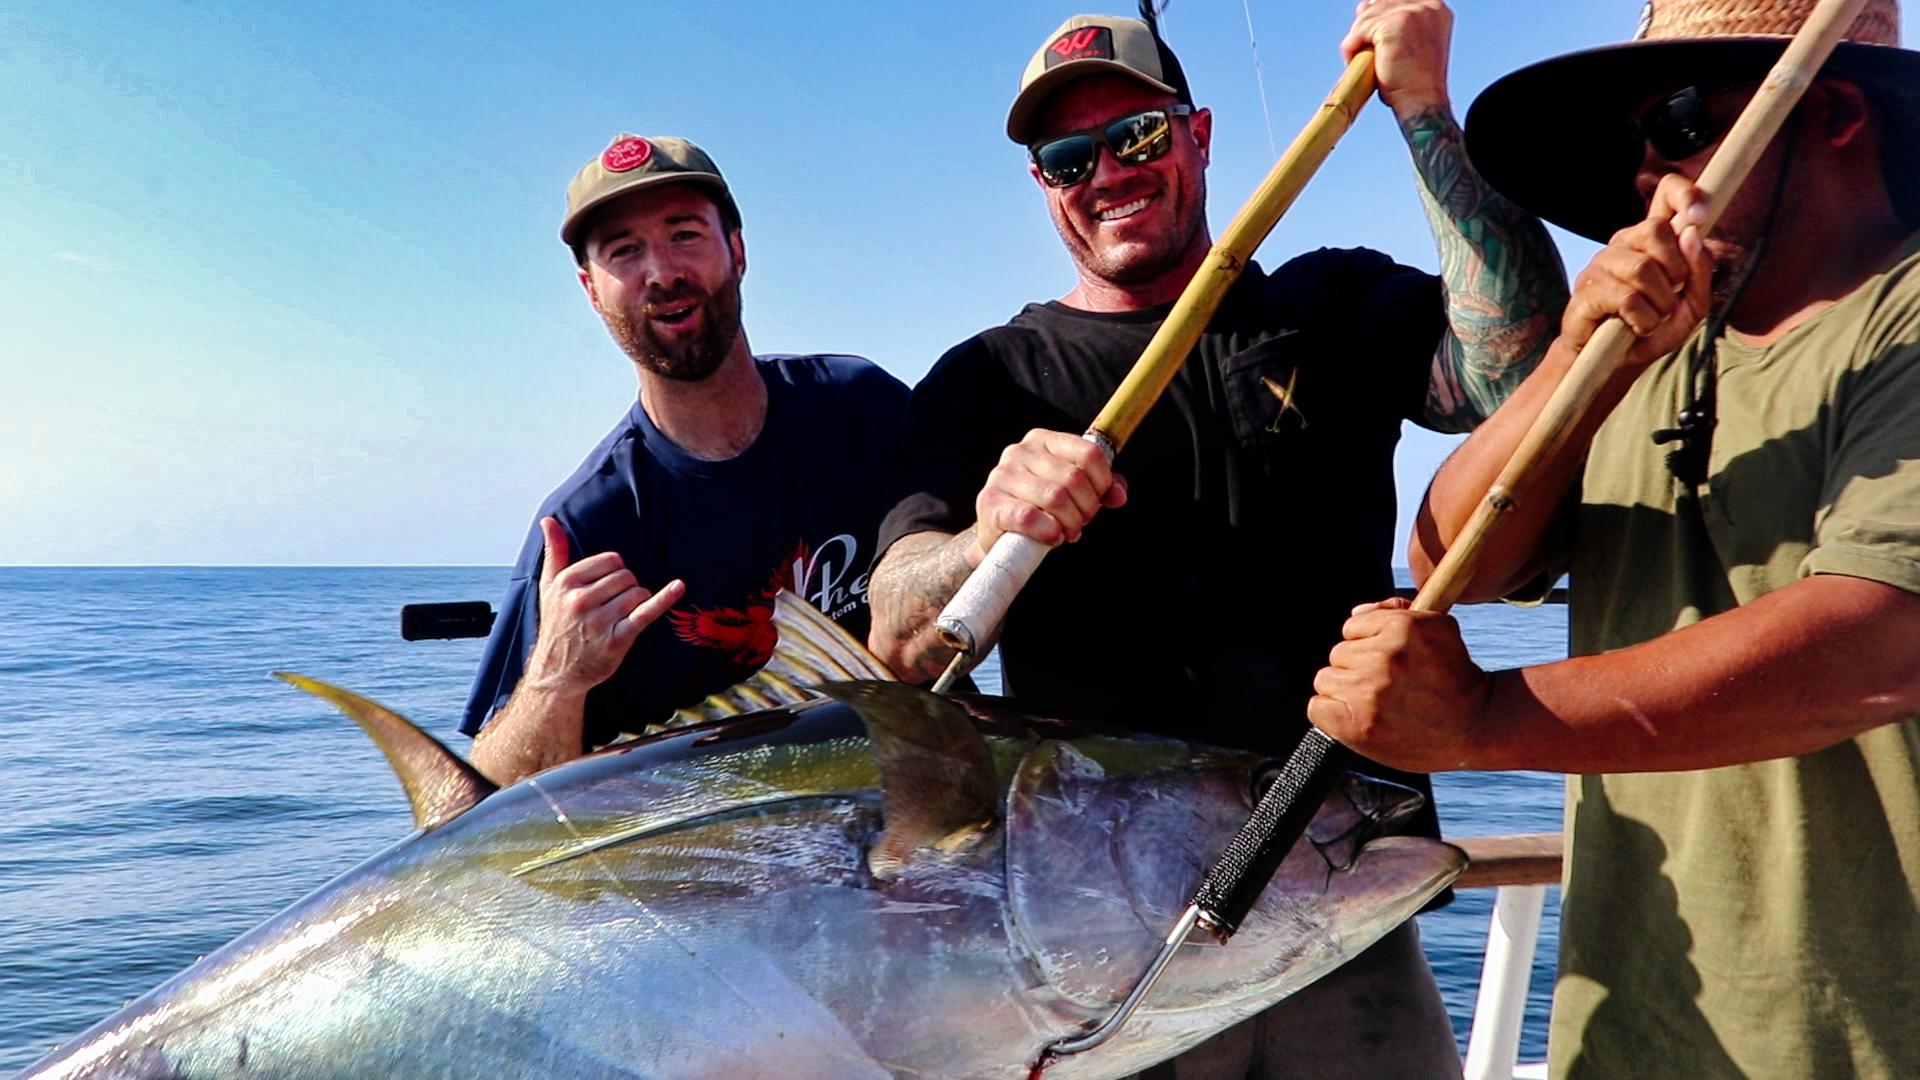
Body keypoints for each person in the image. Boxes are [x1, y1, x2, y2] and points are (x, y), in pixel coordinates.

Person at [868, 2, 1567, 1075]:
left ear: (1196, 136)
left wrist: (1424, 109)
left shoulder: (1330, 303)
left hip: (1342, 918)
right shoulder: (989, 380)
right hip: (1102, 962)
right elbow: (901, 635)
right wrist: (985, 538)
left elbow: (1514, 368)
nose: (1107, 170)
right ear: (1044, 188)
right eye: (1069, 157)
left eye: (1138, 135)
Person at [1307, 0, 1920, 1074]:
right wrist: (1577, 365)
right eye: (1637, 135)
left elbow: (1876, 642)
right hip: (1627, 1038)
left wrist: (1483, 719)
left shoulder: (1905, 317)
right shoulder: (1651, 352)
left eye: (1680, 122)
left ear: (1831, 113)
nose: (1644, 169)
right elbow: (1457, 555)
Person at [462, 134, 908, 786]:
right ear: (591, 290)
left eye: (685, 235)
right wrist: (558, 678)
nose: (661, 271)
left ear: (739, 250)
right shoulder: (584, 528)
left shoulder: (862, 408)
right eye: (624, 252)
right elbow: (484, 799)